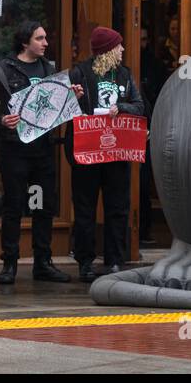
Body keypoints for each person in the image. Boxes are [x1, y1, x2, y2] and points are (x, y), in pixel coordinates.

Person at [0, 22, 77, 285]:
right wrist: (1, 120)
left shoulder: (48, 69)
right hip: (14, 149)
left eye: (45, 38)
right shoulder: (5, 69)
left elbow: (54, 106)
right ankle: (9, 263)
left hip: (42, 150)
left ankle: (43, 262)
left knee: (42, 206)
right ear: (25, 42)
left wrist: (70, 95)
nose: (45, 43)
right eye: (39, 38)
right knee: (14, 206)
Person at [67, 26, 146, 282]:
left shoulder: (124, 74)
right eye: (118, 46)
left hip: (116, 153)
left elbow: (139, 106)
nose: (123, 50)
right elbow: (66, 111)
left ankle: (114, 260)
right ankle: (85, 262)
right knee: (85, 209)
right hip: (87, 154)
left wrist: (120, 107)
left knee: (118, 208)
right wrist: (75, 99)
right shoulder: (80, 72)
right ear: (107, 50)